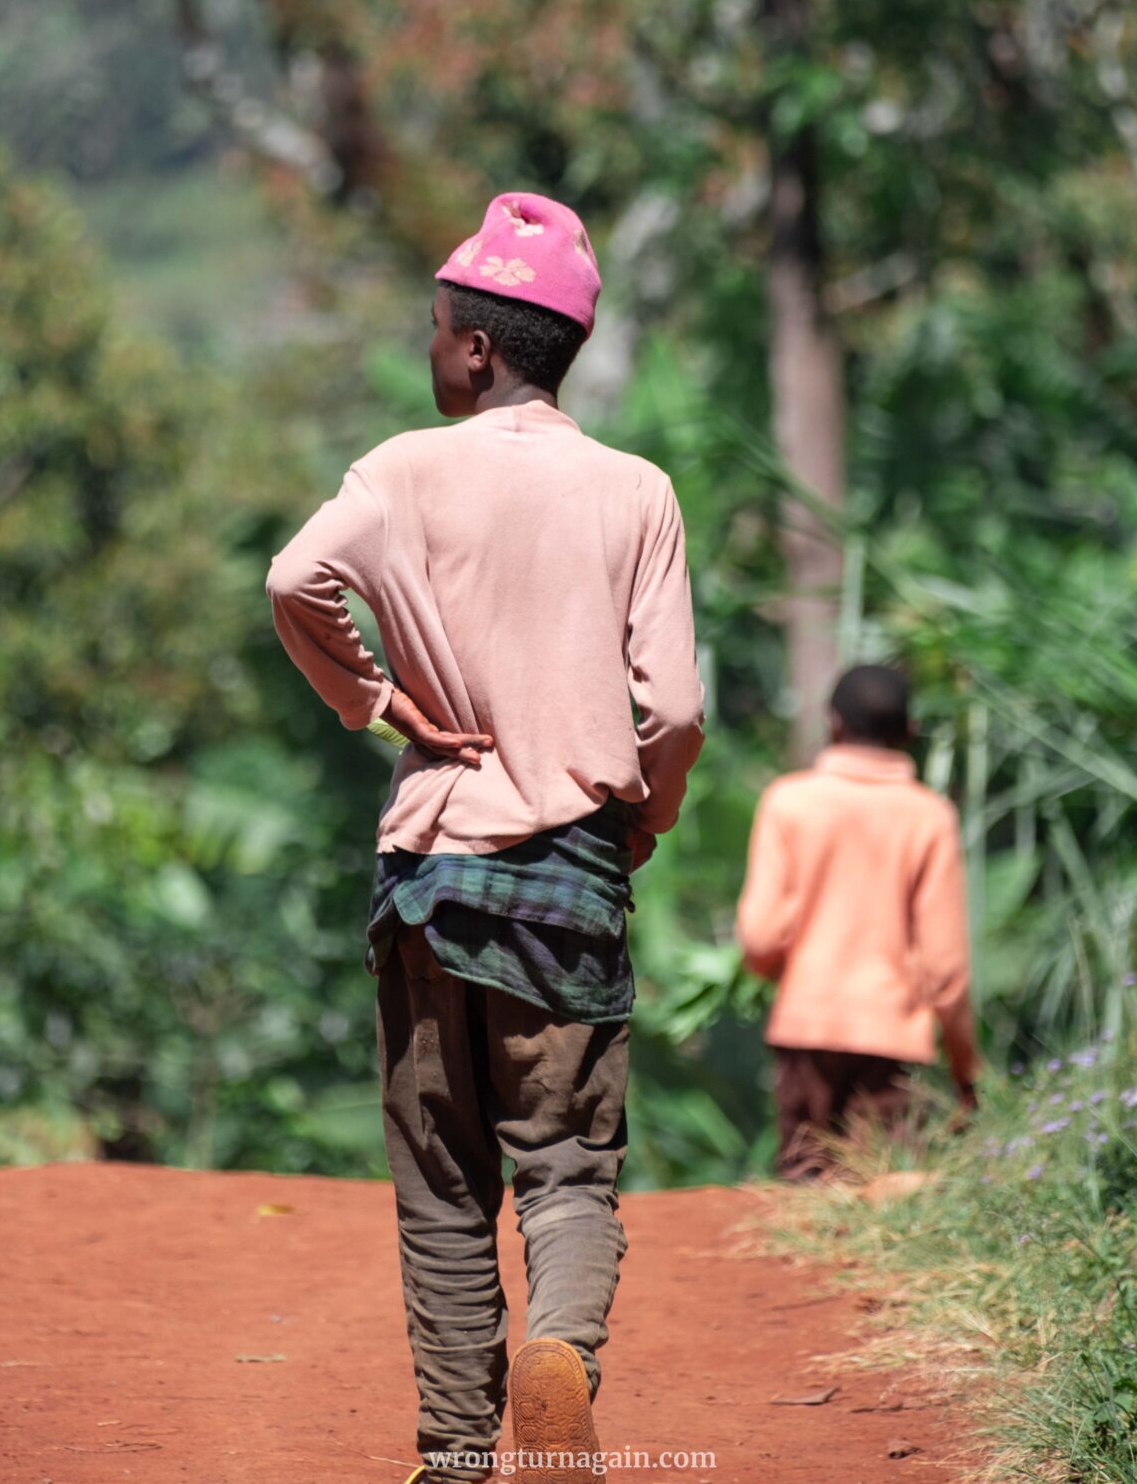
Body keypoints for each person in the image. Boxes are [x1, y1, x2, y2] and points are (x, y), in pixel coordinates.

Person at [266, 191, 705, 1484]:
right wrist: (645, 816)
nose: (430, 348)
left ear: (473, 349)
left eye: (435, 327)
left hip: (427, 879)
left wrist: (368, 695)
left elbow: (296, 578)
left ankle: (455, 1455)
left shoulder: (400, 471)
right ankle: (558, 1351)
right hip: (567, 879)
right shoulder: (637, 491)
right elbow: (673, 706)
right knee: (565, 1166)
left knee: (443, 1186)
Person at [735, 664, 978, 1182]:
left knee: (808, 1183)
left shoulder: (790, 801)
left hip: (807, 1025)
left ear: (833, 723)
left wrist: (776, 972)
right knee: (880, 1195)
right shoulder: (929, 816)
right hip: (893, 1036)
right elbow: (945, 965)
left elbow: (759, 936)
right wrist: (965, 1070)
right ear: (910, 732)